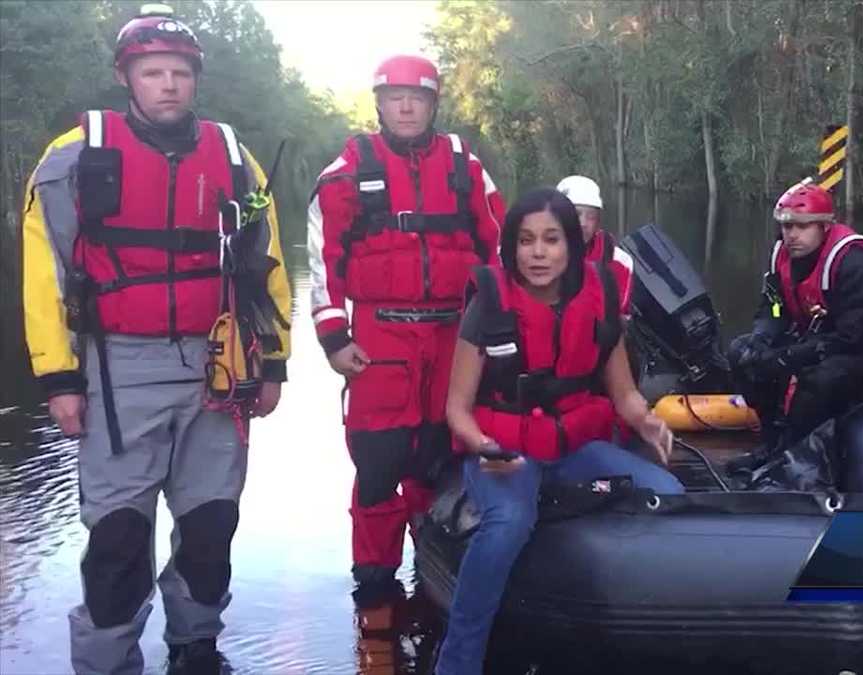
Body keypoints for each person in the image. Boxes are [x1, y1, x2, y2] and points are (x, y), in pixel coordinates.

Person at [21, 6, 291, 673]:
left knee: (209, 525)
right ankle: (109, 663)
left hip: (217, 368)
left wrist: (274, 358)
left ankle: (196, 649)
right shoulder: (73, 157)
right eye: (152, 72)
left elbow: (269, 264)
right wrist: (59, 378)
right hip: (116, 370)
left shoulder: (233, 158)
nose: (167, 84)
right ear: (126, 77)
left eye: (179, 73)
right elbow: (43, 269)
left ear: (194, 79)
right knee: (118, 537)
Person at [434, 188, 685, 675]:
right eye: (526, 241)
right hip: (505, 451)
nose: (538, 252)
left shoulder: (599, 295)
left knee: (668, 493)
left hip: (574, 448)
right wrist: (485, 447)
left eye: (551, 239)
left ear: (572, 244)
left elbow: (624, 393)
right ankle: (457, 663)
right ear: (512, 246)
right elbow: (457, 408)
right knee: (509, 522)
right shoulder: (487, 304)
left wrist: (645, 420)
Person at [307, 54, 505, 596]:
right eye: (395, 97)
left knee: (440, 456)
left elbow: (500, 247)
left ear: (433, 103)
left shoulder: (466, 167)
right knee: (377, 463)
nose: (405, 106)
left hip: (454, 338)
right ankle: (373, 588)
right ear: (377, 103)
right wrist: (333, 337)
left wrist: (504, 327)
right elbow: (323, 259)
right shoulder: (345, 173)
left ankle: (436, 572)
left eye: (417, 97)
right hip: (380, 339)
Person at [725, 182, 863, 473]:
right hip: (814, 340)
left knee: (821, 377)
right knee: (743, 352)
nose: (792, 236)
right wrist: (763, 339)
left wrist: (788, 358)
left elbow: (854, 337)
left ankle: (791, 455)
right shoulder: (781, 256)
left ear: (824, 227)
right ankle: (772, 438)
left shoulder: (854, 262)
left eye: (802, 227)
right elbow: (773, 307)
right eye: (787, 227)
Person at [556, 174, 634, 315]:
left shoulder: (619, 261)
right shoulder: (536, 254)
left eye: (591, 216)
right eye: (576, 214)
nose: (583, 223)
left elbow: (619, 316)